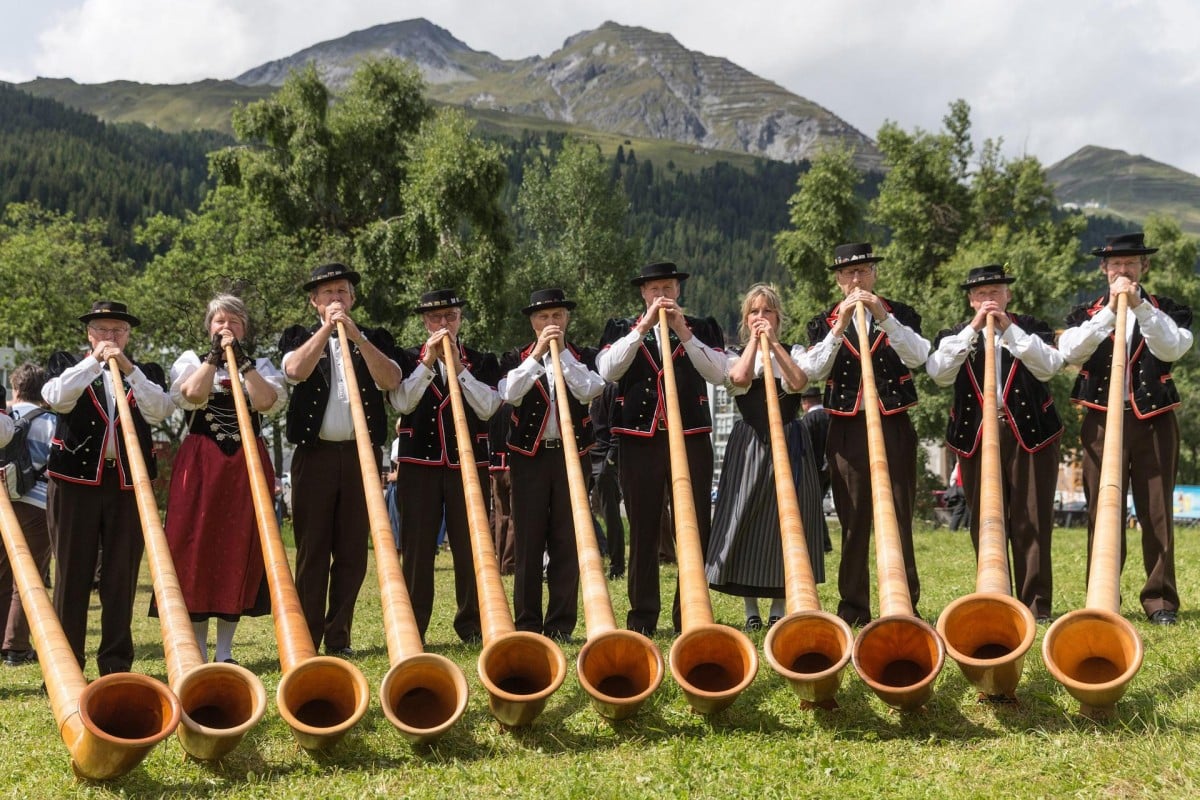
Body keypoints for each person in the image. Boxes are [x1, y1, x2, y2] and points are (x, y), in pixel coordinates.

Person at [1058, 232, 1194, 626]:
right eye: (1115, 264)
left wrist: (1140, 308)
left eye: (1130, 264)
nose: (1122, 271)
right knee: (1103, 511)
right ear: (1104, 269)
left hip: (1154, 421)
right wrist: (1108, 313)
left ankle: (1161, 601)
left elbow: (1171, 349)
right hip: (1101, 420)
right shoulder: (1084, 313)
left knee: (1156, 512)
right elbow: (1070, 352)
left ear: (1143, 267)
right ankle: (1103, 599)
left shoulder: (1167, 309)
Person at [926, 264, 1064, 622]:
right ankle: (995, 596)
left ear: (1008, 295)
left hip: (1030, 433)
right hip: (976, 434)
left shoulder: (1031, 328)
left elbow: (1049, 367)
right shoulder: (956, 335)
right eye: (982, 294)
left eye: (996, 293)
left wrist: (1009, 330)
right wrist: (974, 330)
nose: (989, 300)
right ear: (971, 300)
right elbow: (939, 373)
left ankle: (1036, 605)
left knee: (1032, 519)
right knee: (986, 520)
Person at [42, 300, 174, 675]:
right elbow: (55, 398)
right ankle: (68, 664)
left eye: (118, 331)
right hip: (74, 482)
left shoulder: (145, 371)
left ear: (128, 335)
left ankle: (115, 664)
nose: (110, 337)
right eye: (102, 330)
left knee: (121, 575)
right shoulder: (68, 365)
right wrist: (93, 362)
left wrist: (128, 369)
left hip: (129, 484)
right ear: (89, 334)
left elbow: (160, 410)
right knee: (72, 573)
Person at [279, 262, 403, 656]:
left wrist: (355, 337)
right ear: (314, 301)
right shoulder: (298, 336)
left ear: (353, 298)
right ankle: (307, 639)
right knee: (312, 550)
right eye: (328, 293)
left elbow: (391, 380)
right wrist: (326, 332)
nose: (336, 299)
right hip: (312, 456)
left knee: (352, 551)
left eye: (343, 293)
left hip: (360, 458)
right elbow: (294, 371)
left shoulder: (375, 336)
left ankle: (339, 637)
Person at [156, 294, 287, 664]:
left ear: (245, 329)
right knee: (193, 545)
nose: (226, 327)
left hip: (246, 462)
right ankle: (197, 649)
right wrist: (215, 358)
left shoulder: (261, 365)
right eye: (219, 321)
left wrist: (243, 364)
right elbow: (192, 395)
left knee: (238, 544)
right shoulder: (190, 362)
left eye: (234, 322)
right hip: (200, 461)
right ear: (208, 326)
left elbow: (264, 402)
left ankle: (226, 651)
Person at [597, 261, 726, 637]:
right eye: (655, 291)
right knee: (643, 526)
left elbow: (718, 373)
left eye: (668, 289)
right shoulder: (622, 328)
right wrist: (642, 328)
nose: (662, 297)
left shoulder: (702, 327)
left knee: (694, 524)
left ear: (678, 291)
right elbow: (608, 370)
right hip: (639, 440)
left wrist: (684, 332)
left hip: (691, 437)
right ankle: (642, 618)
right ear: (643, 293)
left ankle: (690, 614)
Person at [806, 243, 930, 627]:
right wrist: (839, 326)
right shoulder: (821, 321)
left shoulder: (901, 314)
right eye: (848, 274)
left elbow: (919, 357)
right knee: (853, 518)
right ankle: (854, 607)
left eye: (862, 272)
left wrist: (884, 317)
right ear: (839, 280)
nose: (856, 280)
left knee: (899, 513)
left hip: (893, 422)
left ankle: (905, 601)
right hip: (846, 426)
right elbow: (812, 370)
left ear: (874, 273)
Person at [705, 284, 825, 631]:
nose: (761, 317)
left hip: (790, 439)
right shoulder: (735, 355)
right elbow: (740, 379)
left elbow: (799, 382)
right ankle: (750, 610)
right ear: (746, 319)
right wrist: (756, 346)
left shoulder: (793, 351)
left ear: (778, 317)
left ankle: (780, 605)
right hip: (751, 442)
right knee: (745, 516)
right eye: (754, 312)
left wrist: (773, 346)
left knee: (787, 520)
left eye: (767, 311)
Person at [391, 289, 500, 644]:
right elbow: (402, 402)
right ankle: (414, 629)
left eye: (450, 317)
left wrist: (460, 369)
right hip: (418, 465)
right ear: (424, 322)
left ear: (460, 320)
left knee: (472, 546)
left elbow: (488, 408)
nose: (443, 324)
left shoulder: (481, 360)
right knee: (418, 549)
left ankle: (472, 624)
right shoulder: (407, 360)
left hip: (469, 464)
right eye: (436, 318)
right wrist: (426, 365)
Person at [499, 288, 605, 642]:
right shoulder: (516, 357)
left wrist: (564, 359)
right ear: (532, 322)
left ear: (567, 319)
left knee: (567, 541)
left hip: (573, 456)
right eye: (543, 317)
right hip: (529, 458)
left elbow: (591, 390)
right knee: (528, 542)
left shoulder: (583, 356)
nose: (551, 323)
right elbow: (510, 394)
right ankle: (527, 623)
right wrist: (539, 356)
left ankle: (561, 624)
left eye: (557, 316)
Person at [1, 366, 46, 667]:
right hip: (37, 504)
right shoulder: (52, 420)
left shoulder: (5, 416)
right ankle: (16, 647)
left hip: (2, 500)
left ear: (16, 387)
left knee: (1, 574)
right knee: (29, 576)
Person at [590, 381, 626, 579]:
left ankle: (617, 566)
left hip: (603, 456)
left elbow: (616, 426)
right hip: (585, 454)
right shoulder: (580, 384)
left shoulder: (609, 388)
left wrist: (610, 459)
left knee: (610, 513)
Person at [799, 385, 833, 553]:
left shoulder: (808, 420)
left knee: (813, 505)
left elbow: (807, 447)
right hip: (833, 467)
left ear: (805, 402)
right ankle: (823, 542)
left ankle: (822, 543)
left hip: (815, 469)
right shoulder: (831, 416)